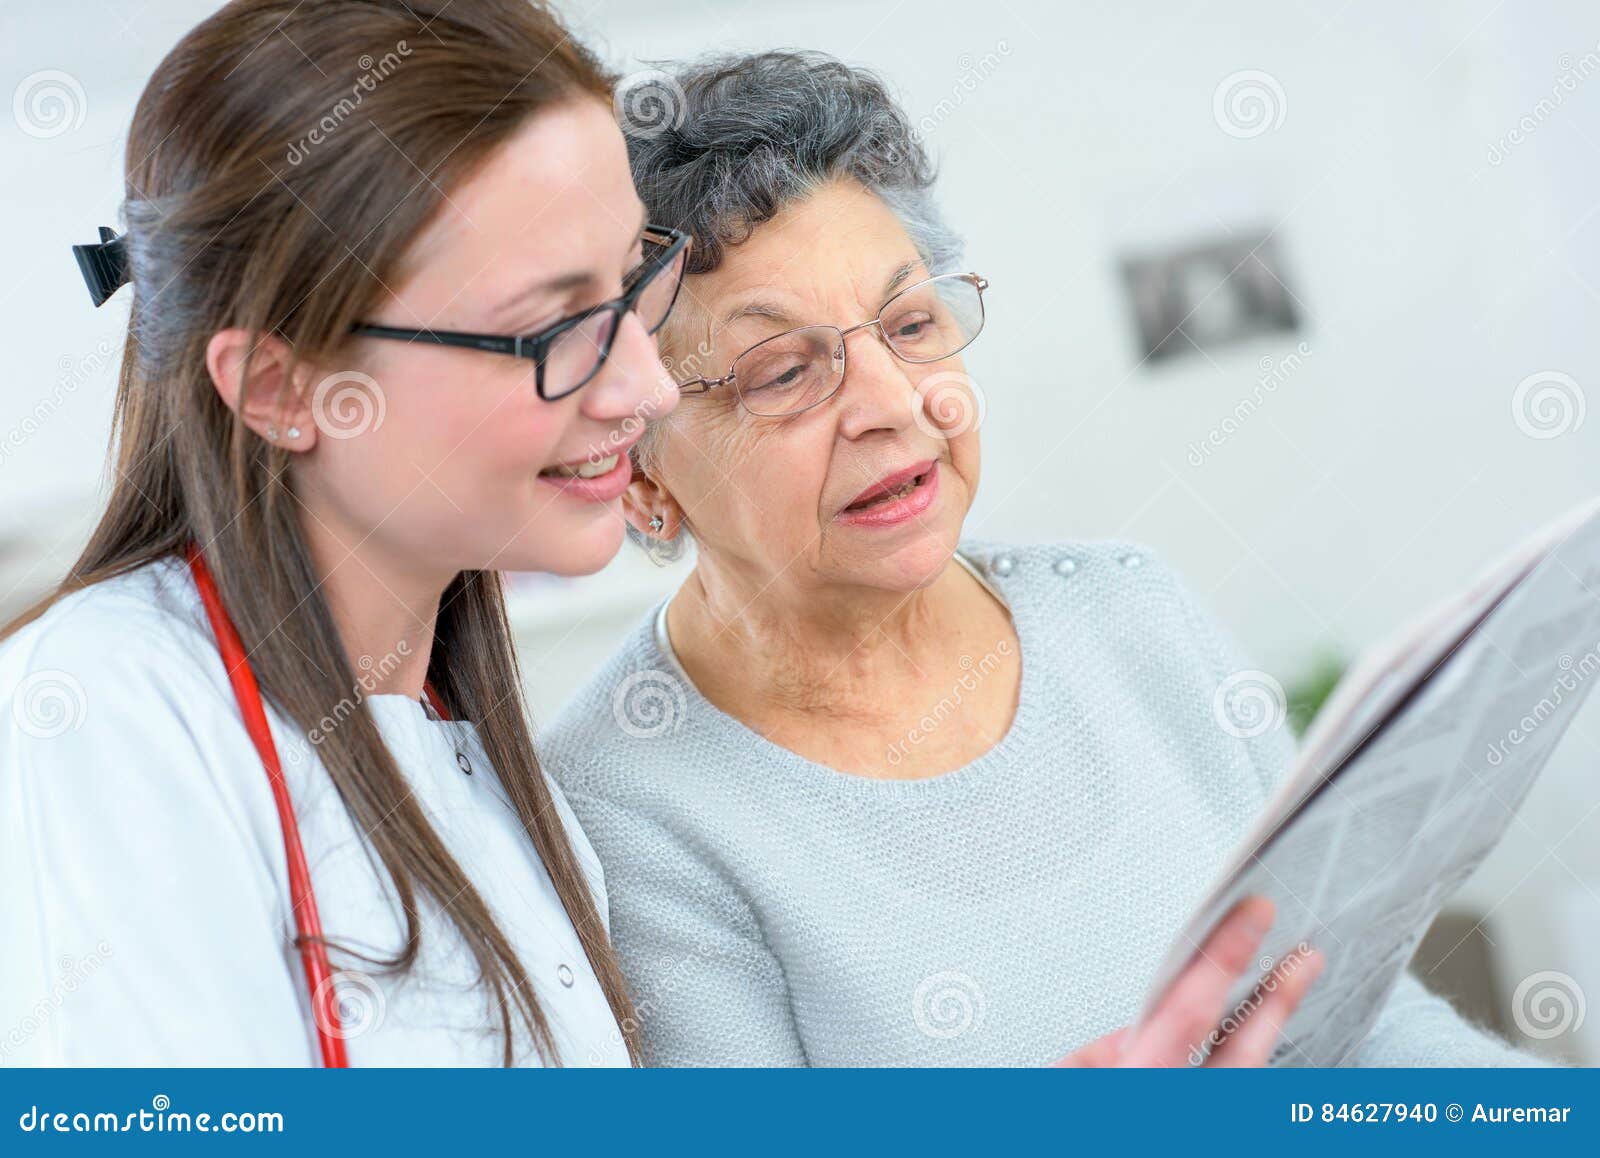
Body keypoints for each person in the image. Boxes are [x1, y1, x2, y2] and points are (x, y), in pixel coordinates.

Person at [538, 50, 1540, 1066]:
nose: (897, 403)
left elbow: (1358, 1021)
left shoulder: (1131, 609)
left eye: (911, 323)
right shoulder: (622, 803)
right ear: (639, 472)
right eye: (784, 372)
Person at [0, 0, 688, 1066]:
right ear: (281, 388)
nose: (646, 386)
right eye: (553, 326)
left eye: (634, 280)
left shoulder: (497, 782)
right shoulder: (102, 709)